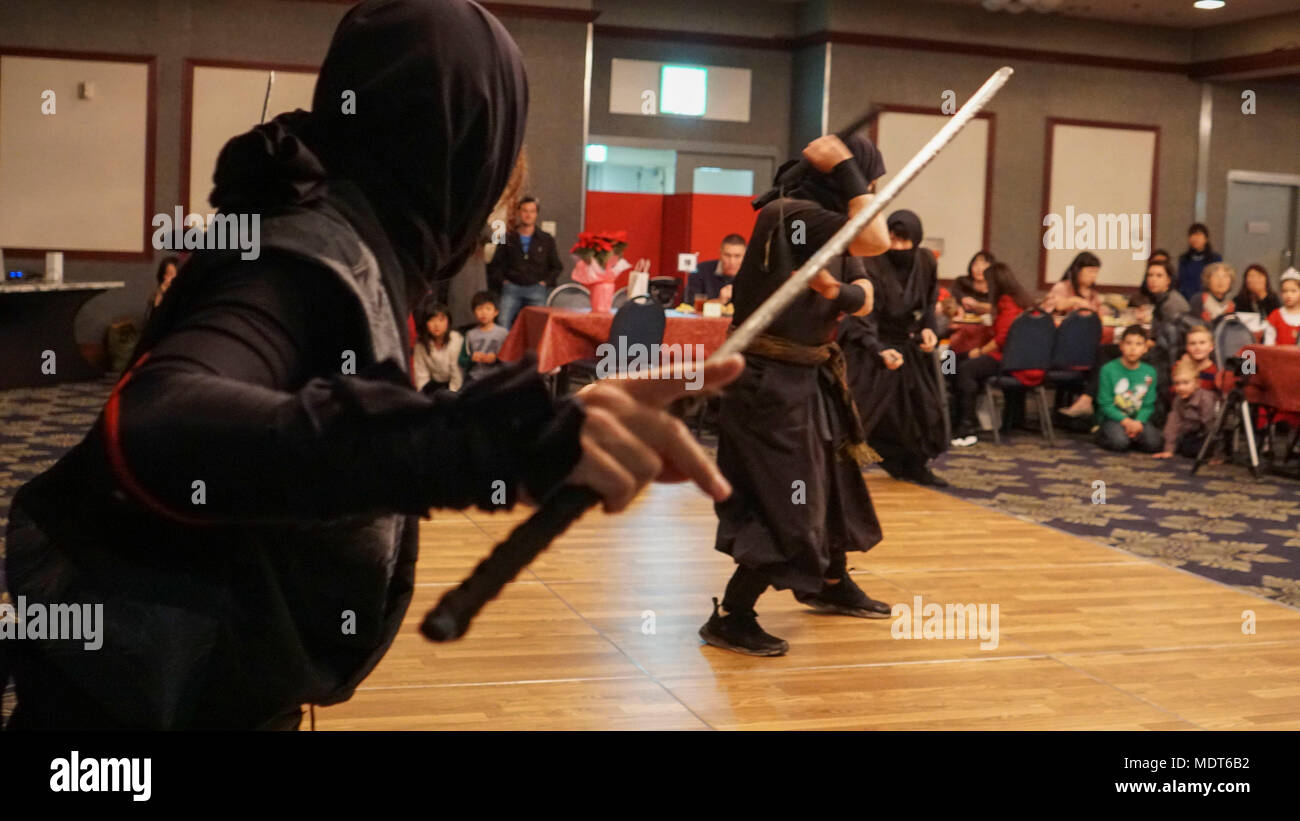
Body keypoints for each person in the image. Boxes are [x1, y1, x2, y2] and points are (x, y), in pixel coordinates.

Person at [1, 0, 742, 730]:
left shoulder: (344, 237)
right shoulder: (303, 254)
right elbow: (157, 423)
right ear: (463, 150)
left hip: (193, 677)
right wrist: (489, 440)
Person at [701, 131, 890, 657]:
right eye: (868, 178)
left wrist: (836, 292)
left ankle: (831, 586)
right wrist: (850, 170)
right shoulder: (791, 216)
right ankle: (733, 614)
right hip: (766, 380)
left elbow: (865, 296)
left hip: (810, 375)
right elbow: (874, 239)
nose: (874, 188)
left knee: (833, 482)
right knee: (786, 497)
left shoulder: (826, 223)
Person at [839, 209, 947, 486]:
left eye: (904, 241)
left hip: (907, 345)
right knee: (859, 413)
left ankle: (913, 465)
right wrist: (877, 349)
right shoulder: (870, 262)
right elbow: (862, 313)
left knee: (921, 408)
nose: (898, 247)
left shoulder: (924, 261)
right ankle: (838, 473)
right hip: (869, 346)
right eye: (893, 239)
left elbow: (928, 301)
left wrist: (928, 329)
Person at [948, 262, 1036, 445]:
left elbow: (1002, 338)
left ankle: (965, 426)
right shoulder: (1021, 299)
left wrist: (979, 351)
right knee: (954, 361)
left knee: (961, 366)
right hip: (1022, 357)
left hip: (1006, 358)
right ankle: (958, 415)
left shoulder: (1006, 302)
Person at [487, 195, 563, 328]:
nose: (528, 215)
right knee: (503, 321)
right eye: (525, 211)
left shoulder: (546, 239)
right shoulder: (507, 237)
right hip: (511, 287)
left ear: (536, 214)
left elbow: (557, 267)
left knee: (540, 325)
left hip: (536, 288)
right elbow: (495, 265)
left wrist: (545, 283)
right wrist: (503, 281)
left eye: (532, 211)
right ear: (518, 213)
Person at [1095, 325, 1163, 452]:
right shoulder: (1108, 369)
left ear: (1145, 348)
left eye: (1138, 344)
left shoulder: (1150, 372)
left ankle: (1131, 435)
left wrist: (1138, 422)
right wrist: (1125, 422)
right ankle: (1107, 434)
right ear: (1121, 346)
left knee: (1155, 443)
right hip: (1113, 418)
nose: (1133, 348)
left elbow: (1148, 404)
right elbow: (1105, 403)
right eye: (1128, 343)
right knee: (1119, 443)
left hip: (1138, 419)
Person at [1154, 358, 1216, 459]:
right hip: (1190, 433)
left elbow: (1211, 426)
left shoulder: (1206, 399)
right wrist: (1168, 450)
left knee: (1193, 451)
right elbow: (1173, 424)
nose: (1181, 388)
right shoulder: (1178, 399)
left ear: (1197, 383)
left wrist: (1216, 454)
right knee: (1163, 441)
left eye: (1186, 383)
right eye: (1177, 384)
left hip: (1207, 434)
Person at [413, 298, 463, 393]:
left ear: (448, 321)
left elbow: (457, 374)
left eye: (441, 320)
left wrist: (451, 394)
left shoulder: (456, 340)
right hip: (435, 384)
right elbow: (421, 373)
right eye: (431, 320)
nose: (436, 325)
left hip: (456, 385)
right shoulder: (421, 344)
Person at [460, 290, 509, 382]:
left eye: (488, 309)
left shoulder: (504, 333)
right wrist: (472, 358)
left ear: (496, 312)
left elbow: (510, 357)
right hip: (475, 377)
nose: (484, 313)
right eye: (479, 309)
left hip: (497, 377)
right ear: (474, 312)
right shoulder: (470, 334)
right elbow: (462, 359)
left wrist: (496, 358)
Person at [685, 234, 745, 305]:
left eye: (737, 256)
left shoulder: (753, 276)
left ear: (745, 256)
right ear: (720, 254)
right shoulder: (701, 271)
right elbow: (689, 305)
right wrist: (719, 301)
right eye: (727, 255)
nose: (732, 262)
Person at [1042, 252, 1103, 316]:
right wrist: (1074, 301)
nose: (1094, 275)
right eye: (1090, 271)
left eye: (1096, 272)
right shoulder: (1063, 287)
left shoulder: (1093, 293)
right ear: (1078, 270)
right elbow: (1054, 307)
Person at [1132, 259, 1189, 323]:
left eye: (1159, 276)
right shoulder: (1158, 296)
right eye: (1150, 275)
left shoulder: (1173, 302)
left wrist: (1151, 319)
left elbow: (1169, 329)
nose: (1153, 280)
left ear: (1168, 280)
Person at [1176, 223, 1222, 301]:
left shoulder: (1215, 259)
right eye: (1192, 235)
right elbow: (1181, 282)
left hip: (1209, 299)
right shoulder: (1184, 259)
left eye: (1199, 235)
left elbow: (1217, 281)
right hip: (1187, 299)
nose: (1195, 238)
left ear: (1206, 239)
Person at [951, 249, 994, 316]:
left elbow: (998, 308)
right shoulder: (961, 282)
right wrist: (962, 300)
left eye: (984, 265)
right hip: (962, 321)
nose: (979, 269)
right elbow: (951, 298)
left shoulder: (996, 287)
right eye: (976, 264)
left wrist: (977, 305)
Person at [1265, 269, 1300, 345]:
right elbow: (1268, 345)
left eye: (1293, 291)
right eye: (1285, 291)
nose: (1288, 295)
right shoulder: (1275, 316)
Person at [144, 255, 180, 319]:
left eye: (176, 274)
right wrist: (160, 295)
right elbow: (150, 320)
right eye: (169, 274)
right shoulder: (155, 295)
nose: (173, 278)